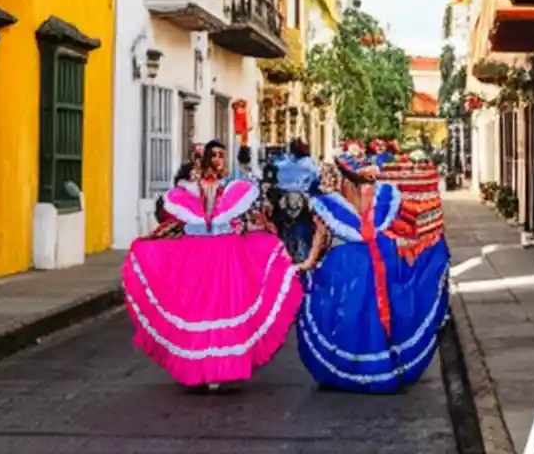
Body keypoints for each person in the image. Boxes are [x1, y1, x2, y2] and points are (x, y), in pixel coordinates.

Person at [121, 139, 303, 389]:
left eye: (221, 155)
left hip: (226, 252)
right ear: (206, 158)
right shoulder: (191, 189)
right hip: (199, 252)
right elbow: (185, 219)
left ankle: (220, 368)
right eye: (214, 155)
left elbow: (235, 219)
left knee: (226, 304)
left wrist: (255, 227)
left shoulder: (230, 189)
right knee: (199, 306)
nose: (218, 160)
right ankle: (201, 366)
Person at [297, 142, 449, 393]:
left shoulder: (330, 204)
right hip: (381, 257)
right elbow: (405, 229)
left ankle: (349, 368)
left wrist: (308, 264)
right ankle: (382, 365)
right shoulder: (384, 198)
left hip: (348, 265)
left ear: (343, 179)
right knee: (381, 314)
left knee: (348, 316)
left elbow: (319, 238)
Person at [270, 138, 321, 262]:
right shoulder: (310, 165)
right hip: (302, 207)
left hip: (283, 206)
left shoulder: (281, 163)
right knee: (303, 238)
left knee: (285, 237)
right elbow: (316, 184)